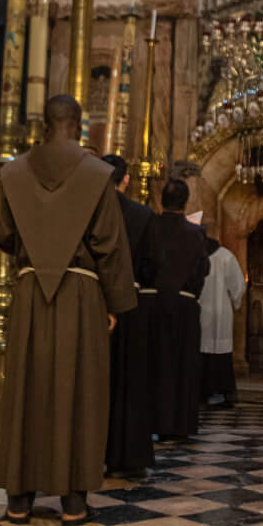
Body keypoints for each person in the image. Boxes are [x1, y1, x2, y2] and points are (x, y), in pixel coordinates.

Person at [0, 95, 137, 524]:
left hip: (31, 288)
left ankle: (19, 500)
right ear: (79, 124)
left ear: (44, 124)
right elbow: (110, 243)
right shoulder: (97, 174)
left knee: (25, 391)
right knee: (80, 392)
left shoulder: (12, 171)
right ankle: (73, 502)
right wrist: (116, 303)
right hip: (82, 293)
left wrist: (29, 248)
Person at [101, 153, 158, 478]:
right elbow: (151, 266)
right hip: (131, 304)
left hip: (94, 302)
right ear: (126, 179)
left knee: (97, 380)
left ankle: (91, 452)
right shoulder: (141, 215)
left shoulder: (90, 211)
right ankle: (129, 458)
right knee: (131, 382)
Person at [145, 178, 211, 443]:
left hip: (149, 304)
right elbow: (202, 269)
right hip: (182, 307)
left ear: (162, 200)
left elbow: (142, 263)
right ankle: (176, 425)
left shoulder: (148, 227)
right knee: (180, 365)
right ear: (185, 203)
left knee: (152, 364)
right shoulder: (194, 233)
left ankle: (149, 419)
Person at [200, 225, 246, 408]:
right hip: (220, 312)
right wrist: (236, 302)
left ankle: (202, 393)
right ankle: (219, 392)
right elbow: (238, 285)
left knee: (201, 351)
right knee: (219, 353)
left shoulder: (192, 253)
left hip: (198, 310)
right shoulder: (226, 256)